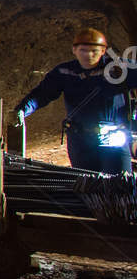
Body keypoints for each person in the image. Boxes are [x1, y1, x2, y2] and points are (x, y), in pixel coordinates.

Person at [14, 27, 133, 175]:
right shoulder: (65, 72)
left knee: (121, 185)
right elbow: (41, 94)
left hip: (113, 138)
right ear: (74, 50)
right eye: (83, 50)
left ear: (103, 51)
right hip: (80, 140)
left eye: (94, 50)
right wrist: (23, 110)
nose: (88, 55)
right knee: (86, 185)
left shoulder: (118, 69)